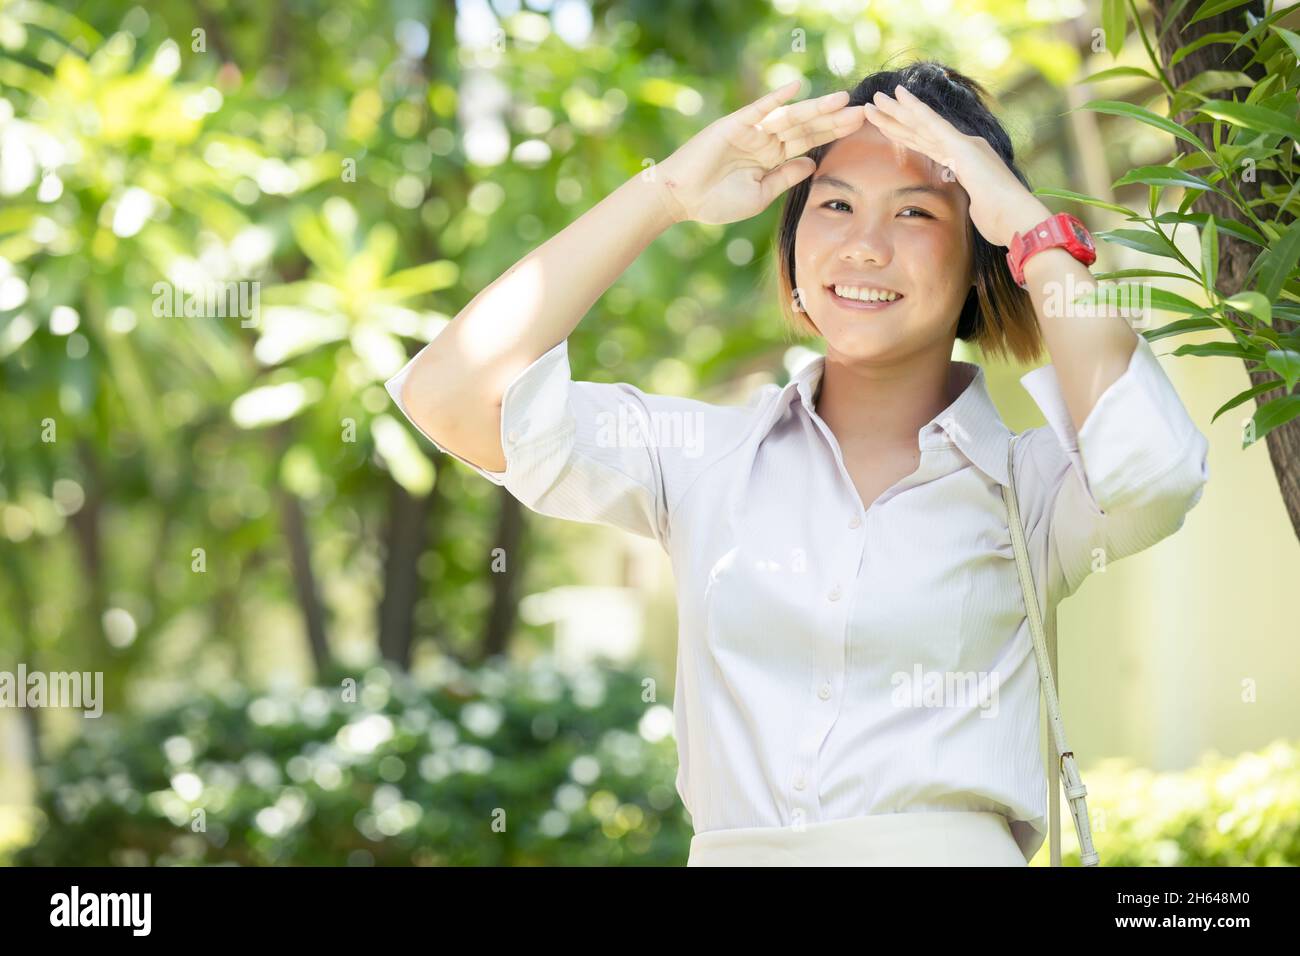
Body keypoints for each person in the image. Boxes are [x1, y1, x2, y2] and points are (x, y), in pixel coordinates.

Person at [385, 60, 1210, 866]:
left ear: (980, 257)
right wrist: (664, 195)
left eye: (916, 214)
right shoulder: (702, 458)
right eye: (836, 205)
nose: (863, 247)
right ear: (790, 250)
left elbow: (1156, 471)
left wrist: (1033, 229)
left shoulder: (1031, 490)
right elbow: (449, 394)